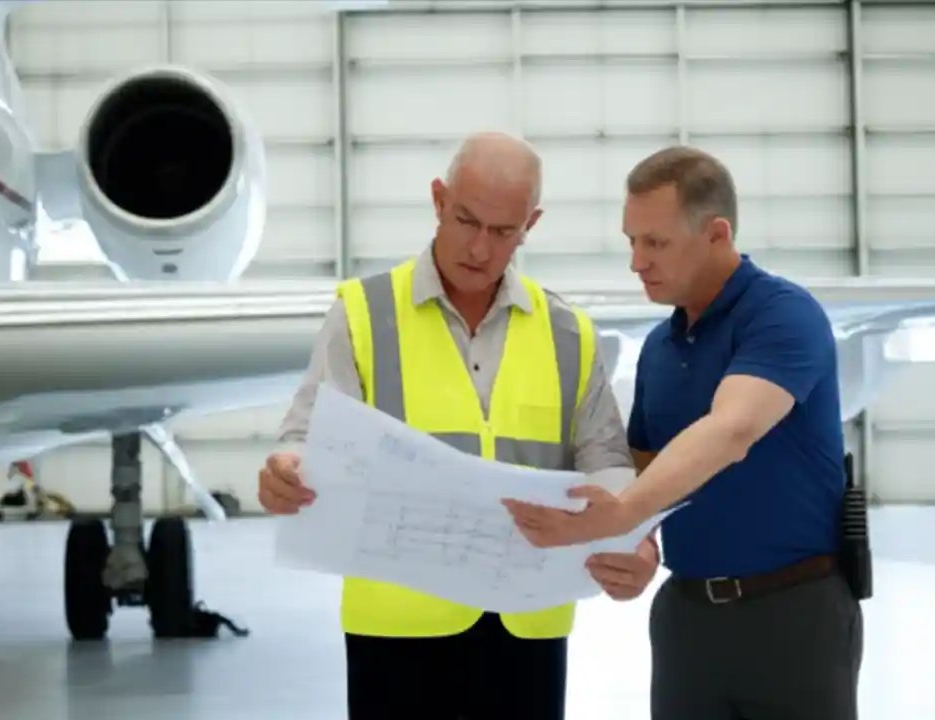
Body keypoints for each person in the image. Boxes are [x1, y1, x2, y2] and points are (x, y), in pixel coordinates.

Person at [257, 131, 660, 720]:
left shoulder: (568, 332)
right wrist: (287, 469)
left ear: (531, 224)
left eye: (503, 231)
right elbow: (306, 436)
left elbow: (607, 463)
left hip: (527, 623)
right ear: (439, 200)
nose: (480, 247)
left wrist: (637, 543)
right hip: (397, 628)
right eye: (467, 220)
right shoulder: (364, 313)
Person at [503, 145, 863, 719]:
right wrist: (638, 544)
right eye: (631, 241)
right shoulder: (659, 349)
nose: (636, 262)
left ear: (717, 234)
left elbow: (732, 429)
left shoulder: (783, 315)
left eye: (656, 242)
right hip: (687, 619)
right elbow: (644, 470)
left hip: (795, 616)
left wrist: (621, 515)